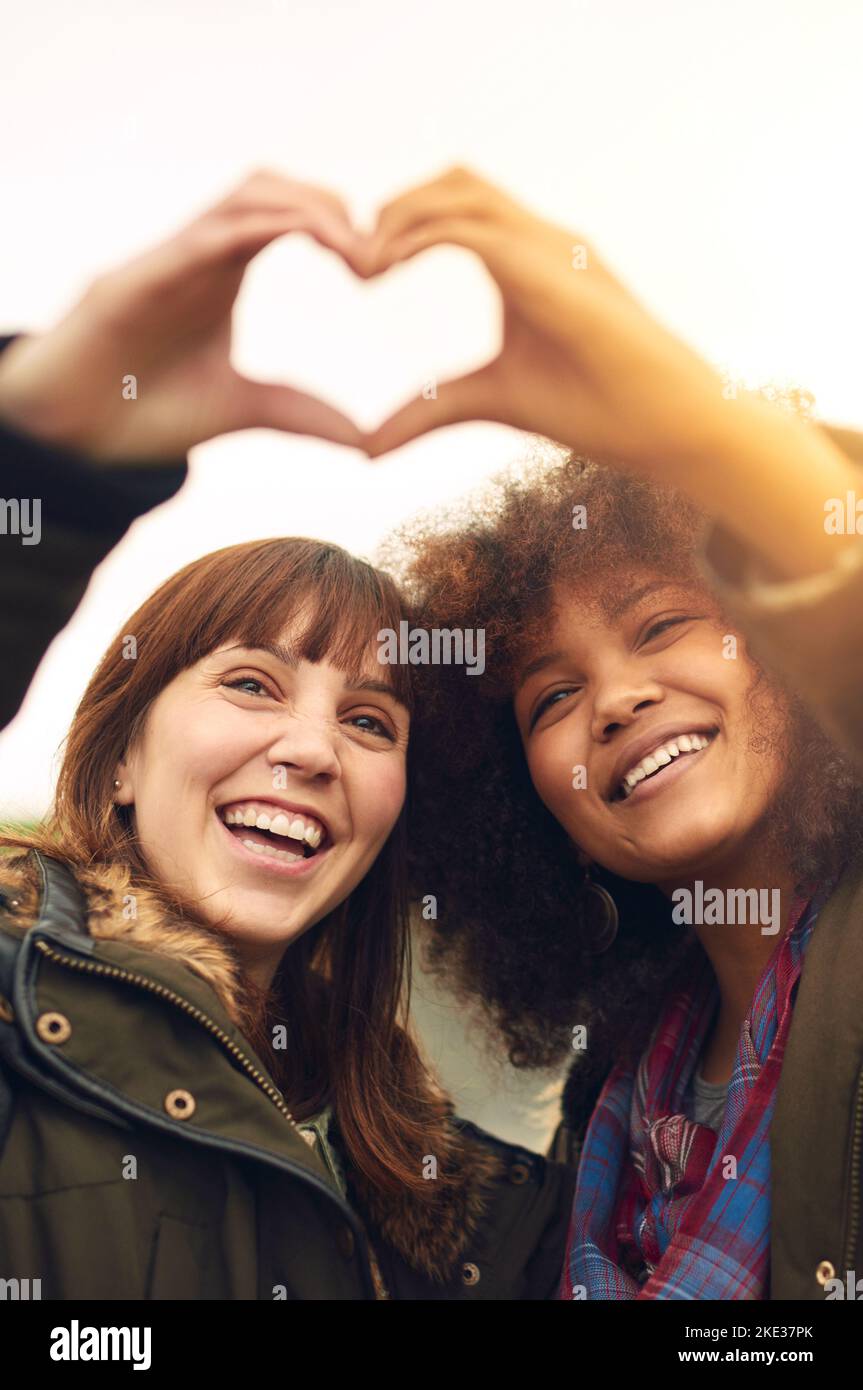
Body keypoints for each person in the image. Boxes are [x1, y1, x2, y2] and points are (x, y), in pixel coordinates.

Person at [0, 169, 575, 1300]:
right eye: (254, 685)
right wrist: (37, 462)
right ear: (118, 760)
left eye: (369, 720)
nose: (312, 751)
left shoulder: (478, 1212)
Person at [371, 167, 863, 1299]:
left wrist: (699, 428)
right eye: (549, 698)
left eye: (663, 625)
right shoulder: (615, 1092)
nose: (616, 699)